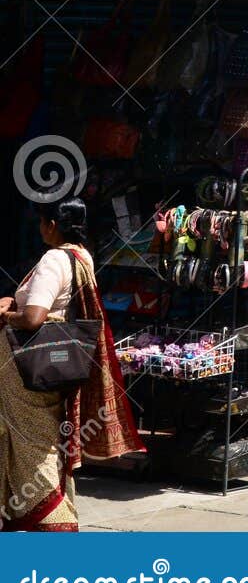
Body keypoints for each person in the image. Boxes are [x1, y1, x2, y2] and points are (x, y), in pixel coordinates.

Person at [0, 199, 143, 531]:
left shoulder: (54, 258)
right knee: (40, 441)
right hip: (50, 372)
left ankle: (54, 520)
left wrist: (5, 313)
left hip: (25, 378)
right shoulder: (83, 256)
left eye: (41, 223)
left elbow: (35, 317)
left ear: (52, 225)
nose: (39, 230)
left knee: (33, 446)